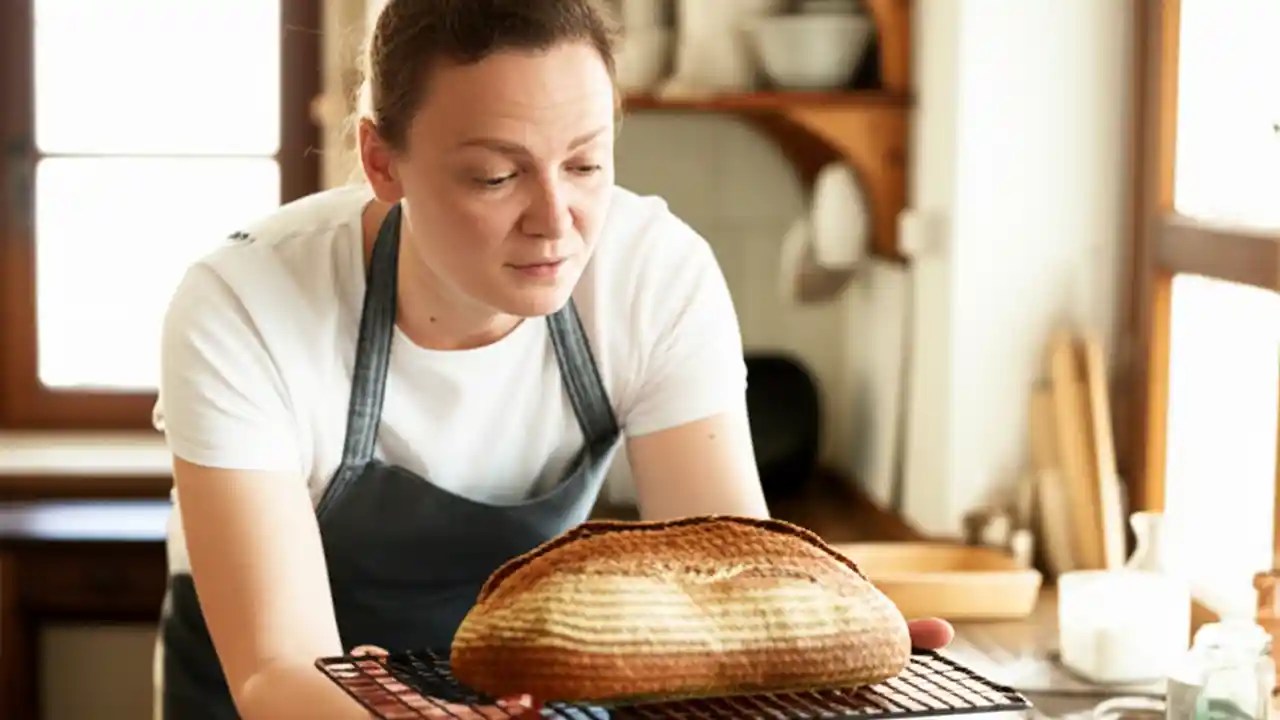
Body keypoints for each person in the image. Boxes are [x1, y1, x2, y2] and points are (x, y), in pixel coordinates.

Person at [152, 0, 954, 717]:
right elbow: (279, 670)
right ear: (381, 162)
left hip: (533, 688)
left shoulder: (652, 276)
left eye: (585, 165)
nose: (555, 222)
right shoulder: (244, 305)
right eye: (496, 175)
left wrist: (815, 678)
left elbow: (722, 594)